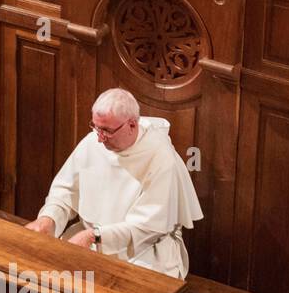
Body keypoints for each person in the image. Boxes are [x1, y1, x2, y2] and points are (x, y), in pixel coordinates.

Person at [24, 88, 202, 279]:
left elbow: (147, 228)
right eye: (95, 127)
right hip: (88, 237)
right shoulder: (93, 141)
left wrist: (96, 237)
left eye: (107, 131)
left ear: (132, 125)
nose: (99, 138)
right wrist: (49, 219)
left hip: (144, 250)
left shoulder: (161, 158)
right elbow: (65, 191)